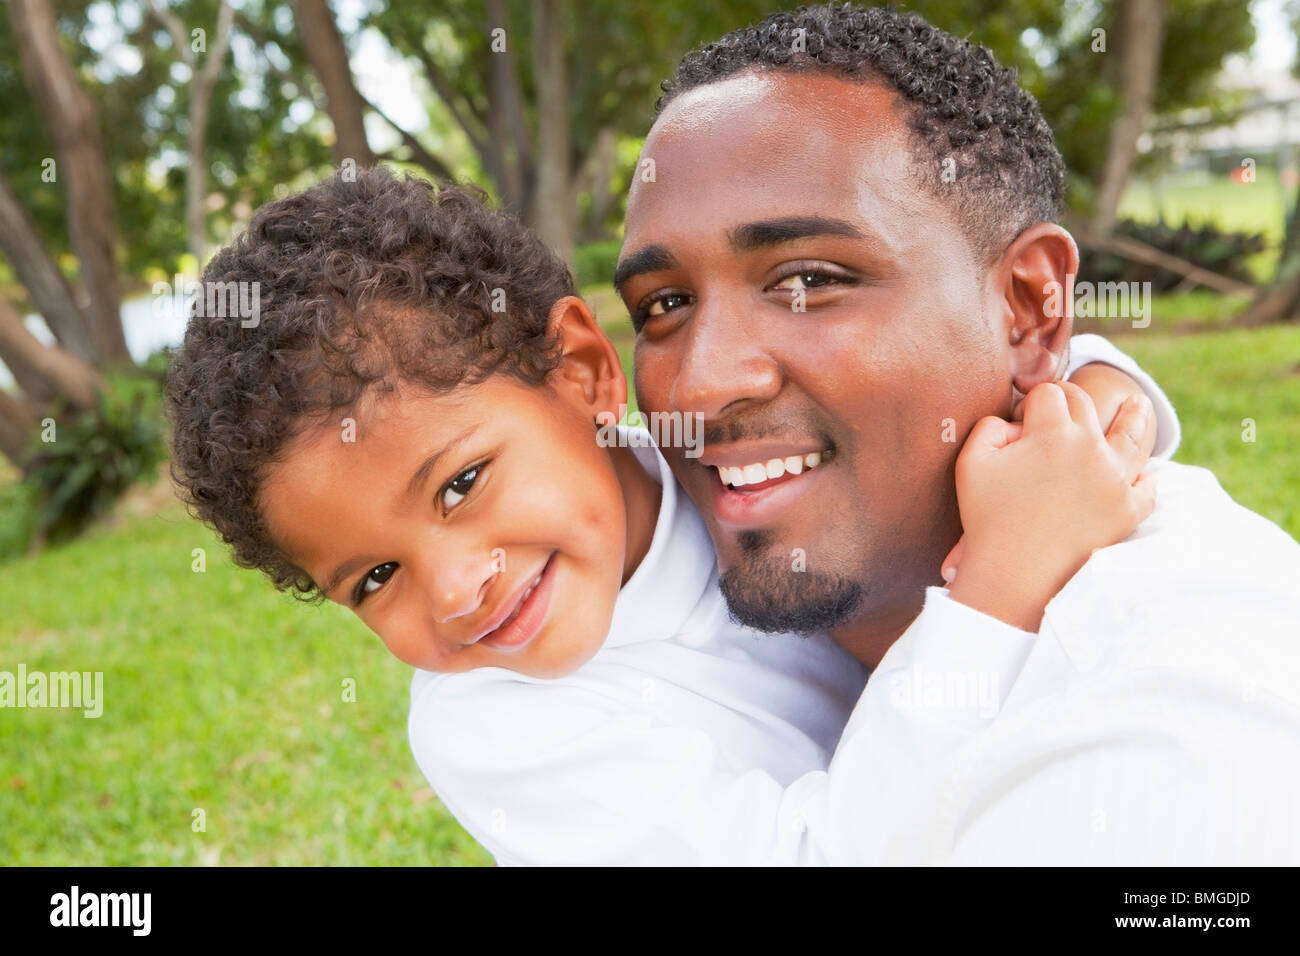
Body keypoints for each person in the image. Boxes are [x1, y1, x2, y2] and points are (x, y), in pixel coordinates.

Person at [165, 166, 1169, 864]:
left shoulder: (712, 451)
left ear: (583, 373)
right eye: (374, 577)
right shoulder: (495, 724)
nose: (458, 584)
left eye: (462, 483)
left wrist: (1090, 392)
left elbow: (896, 400)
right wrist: (1004, 583)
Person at [616, 2, 1300, 863]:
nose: (703, 382)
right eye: (665, 306)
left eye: (809, 280)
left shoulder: (1169, 741)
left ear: (1026, 307)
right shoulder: (621, 611)